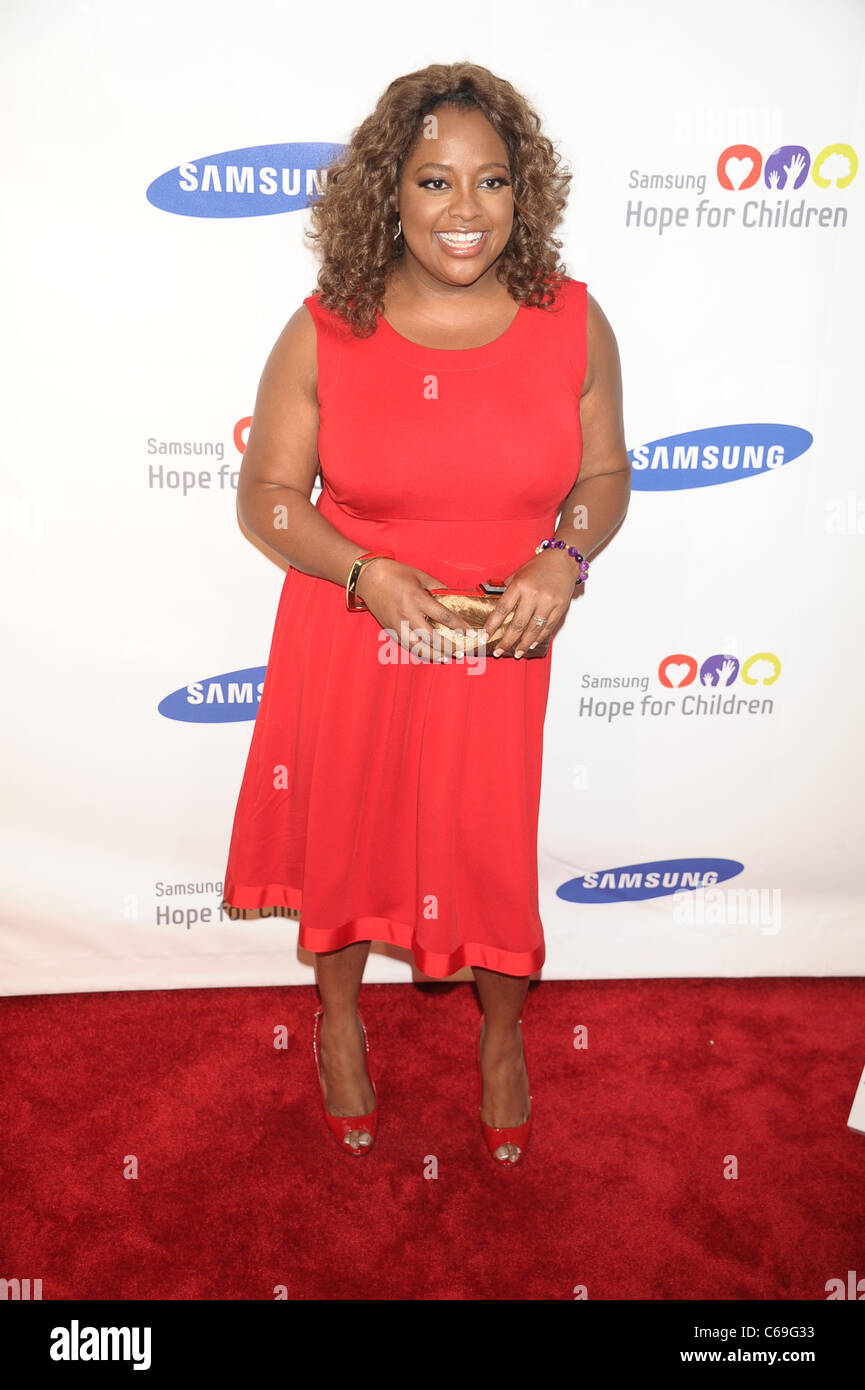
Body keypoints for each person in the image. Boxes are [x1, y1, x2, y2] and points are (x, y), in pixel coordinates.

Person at [221, 61, 631, 1165]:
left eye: (491, 182)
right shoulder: (327, 329)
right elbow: (267, 497)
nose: (465, 211)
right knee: (347, 841)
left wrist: (563, 559)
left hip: (501, 637)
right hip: (357, 631)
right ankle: (340, 1018)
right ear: (387, 194)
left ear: (522, 194)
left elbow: (604, 476)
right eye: (435, 181)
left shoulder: (572, 321)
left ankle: (502, 1038)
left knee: (487, 849)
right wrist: (365, 574)